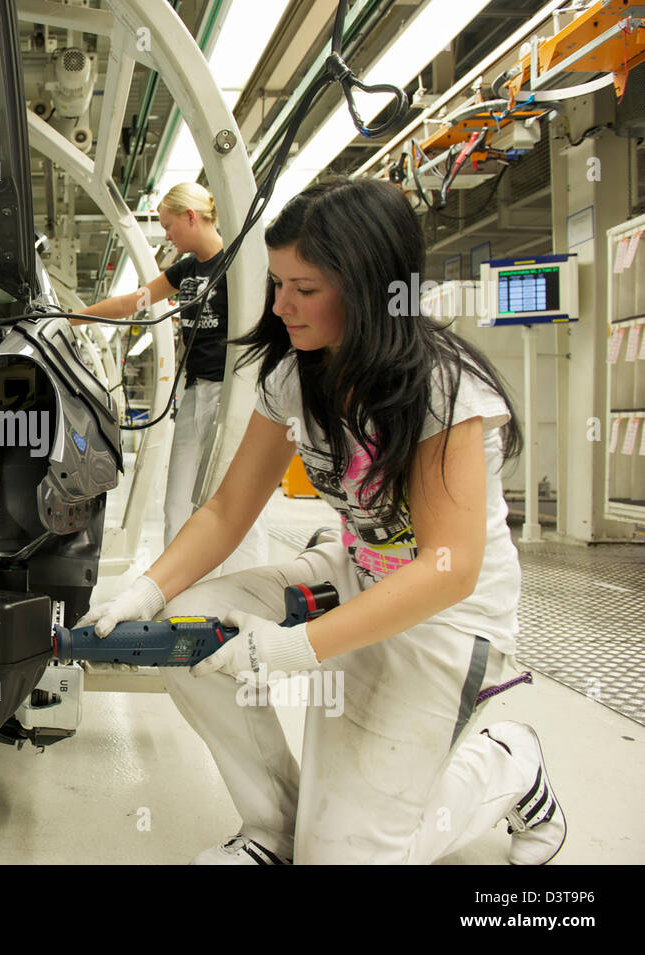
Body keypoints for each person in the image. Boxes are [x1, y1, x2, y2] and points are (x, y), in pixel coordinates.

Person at [77, 176, 565, 865]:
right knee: (183, 631)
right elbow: (226, 508)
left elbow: (447, 571)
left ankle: (510, 763)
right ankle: (274, 829)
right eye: (277, 284)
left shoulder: (443, 388)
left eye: (303, 289)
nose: (281, 306)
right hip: (356, 572)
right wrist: (148, 591)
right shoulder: (297, 373)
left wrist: (290, 649)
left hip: (444, 619)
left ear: (367, 286)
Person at [73, 183, 267, 561]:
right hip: (195, 392)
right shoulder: (186, 271)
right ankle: (176, 584)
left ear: (191, 217)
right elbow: (134, 301)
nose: (166, 235)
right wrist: (74, 317)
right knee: (177, 501)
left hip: (234, 395)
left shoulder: (240, 263)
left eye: (168, 225)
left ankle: (242, 580)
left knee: (236, 498)